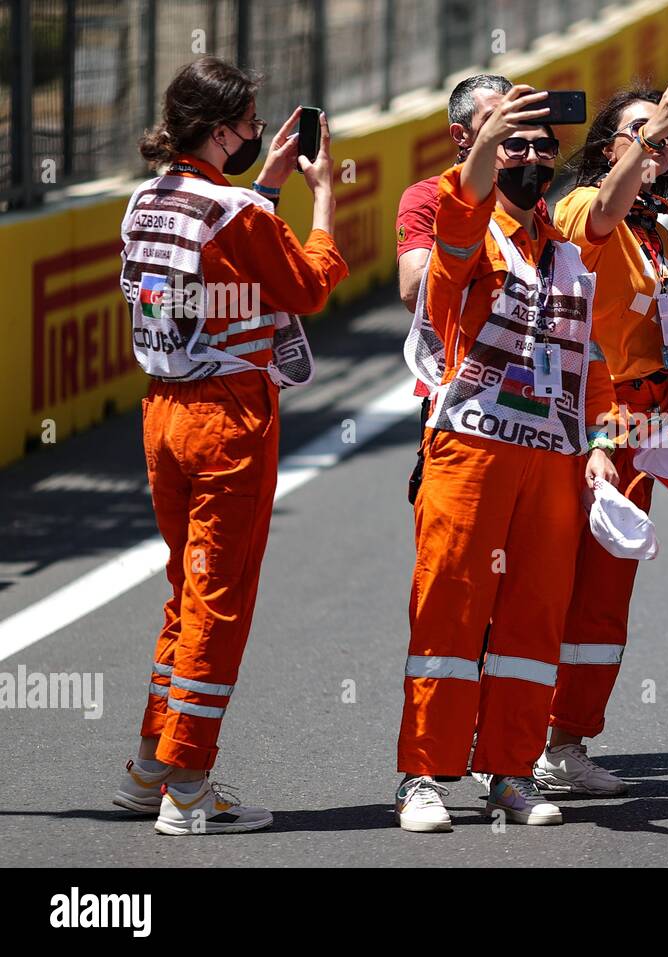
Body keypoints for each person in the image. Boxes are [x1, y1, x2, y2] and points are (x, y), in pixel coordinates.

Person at [112, 57, 347, 834]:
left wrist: (268, 181)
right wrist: (325, 208)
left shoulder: (146, 201)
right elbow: (306, 285)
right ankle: (189, 785)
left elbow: (217, 274)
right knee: (221, 600)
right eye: (249, 125)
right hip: (227, 422)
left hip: (163, 413)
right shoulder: (238, 215)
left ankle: (152, 762)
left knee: (187, 587)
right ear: (219, 130)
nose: (256, 134)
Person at [395, 85, 621, 831]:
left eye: (541, 147)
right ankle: (424, 775)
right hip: (470, 451)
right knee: (450, 610)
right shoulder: (467, 234)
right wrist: (487, 144)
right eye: (513, 146)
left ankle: (510, 772)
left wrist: (598, 448)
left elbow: (591, 368)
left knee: (532, 622)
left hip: (552, 464)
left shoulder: (567, 256)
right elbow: (451, 233)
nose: (530, 158)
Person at [534, 78, 668, 796]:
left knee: (607, 591)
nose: (659, 144)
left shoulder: (659, 232)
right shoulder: (586, 203)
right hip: (585, 423)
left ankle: (566, 741)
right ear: (608, 144)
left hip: (646, 425)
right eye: (641, 131)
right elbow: (602, 215)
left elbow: (653, 330)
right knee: (551, 583)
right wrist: (646, 140)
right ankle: (512, 736)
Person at [397, 73, 517, 506]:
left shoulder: (527, 195)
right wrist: (466, 231)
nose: (510, 128)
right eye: (495, 118)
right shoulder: (427, 196)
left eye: (515, 114)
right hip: (459, 395)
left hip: (526, 393)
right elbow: (414, 291)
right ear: (460, 134)